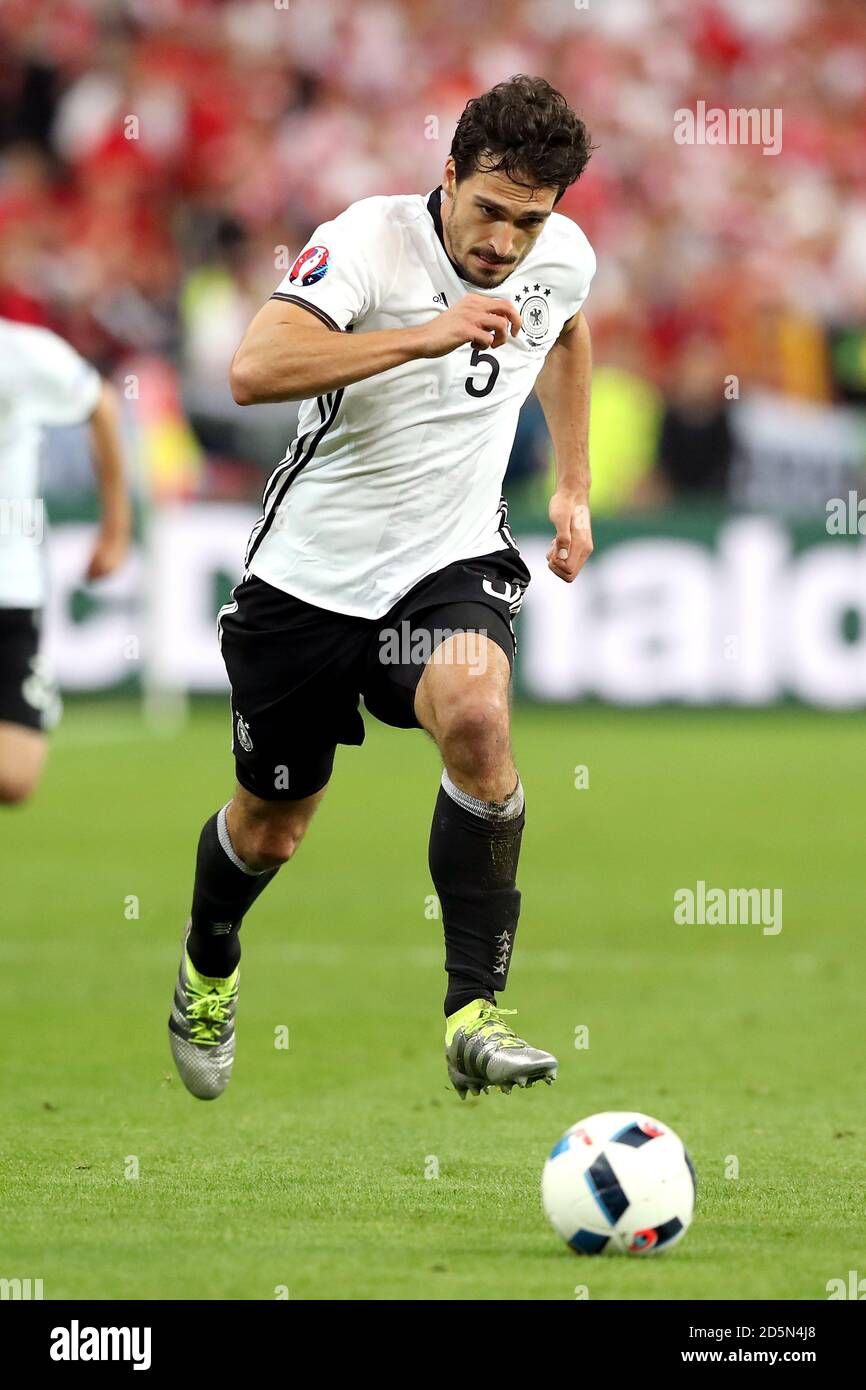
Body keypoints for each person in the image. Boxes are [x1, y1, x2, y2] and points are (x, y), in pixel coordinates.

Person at [168, 75, 596, 1101]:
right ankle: (208, 956)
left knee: (479, 719)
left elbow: (567, 330)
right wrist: (424, 334)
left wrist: (573, 485)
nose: (503, 242)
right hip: (305, 586)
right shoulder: (366, 240)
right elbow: (253, 368)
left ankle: (471, 1014)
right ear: (446, 175)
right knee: (273, 826)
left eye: (528, 221)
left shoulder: (560, 259)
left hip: (443, 564)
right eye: (488, 209)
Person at [0, 317, 131, 805]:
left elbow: (102, 404)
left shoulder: (21, 353)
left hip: (10, 583)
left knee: (15, 778)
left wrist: (115, 528)